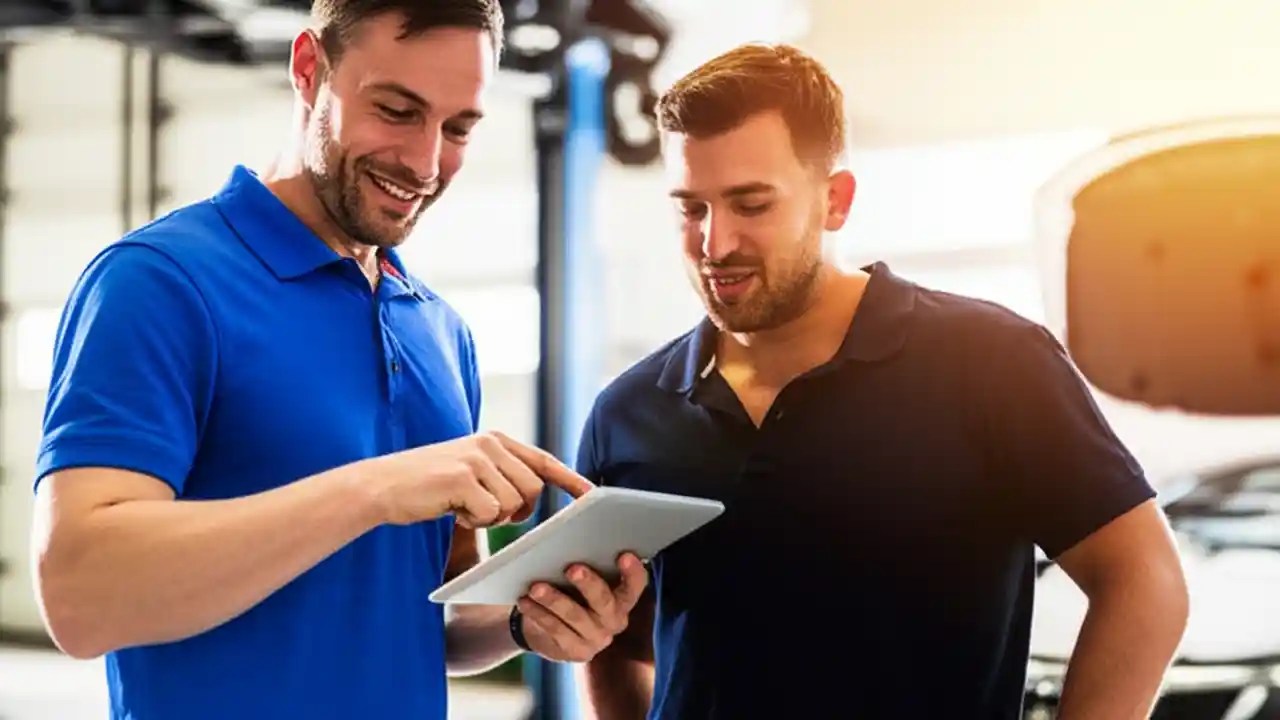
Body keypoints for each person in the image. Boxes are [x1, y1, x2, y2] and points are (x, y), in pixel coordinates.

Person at [29, 2, 647, 719]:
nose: (424, 162)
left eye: (458, 129)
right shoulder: (159, 283)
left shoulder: (442, 332)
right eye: (396, 110)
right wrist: (373, 490)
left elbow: (427, 619)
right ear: (307, 68)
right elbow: (80, 599)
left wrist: (524, 618)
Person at [577, 43, 1189, 720]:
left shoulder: (990, 361)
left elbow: (1144, 580)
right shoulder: (627, 414)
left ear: (834, 201)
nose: (715, 243)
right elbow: (614, 643)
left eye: (751, 205)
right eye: (690, 209)